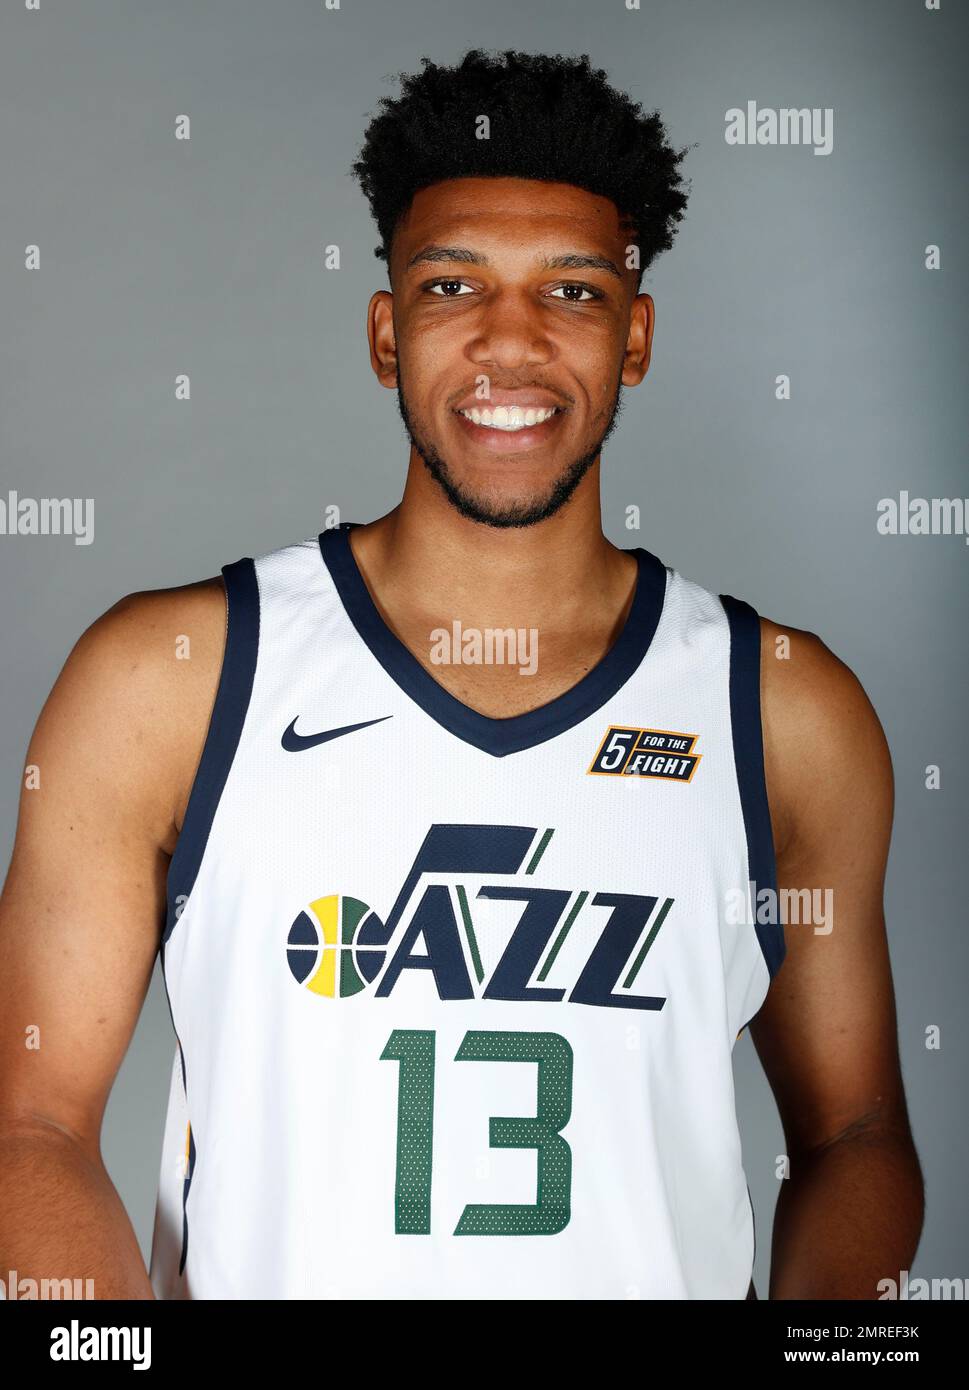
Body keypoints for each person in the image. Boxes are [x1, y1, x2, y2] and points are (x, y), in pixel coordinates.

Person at [0, 49, 922, 1299]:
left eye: (575, 293)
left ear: (636, 336)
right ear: (387, 334)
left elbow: (855, 1133)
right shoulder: (170, 679)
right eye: (452, 286)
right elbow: (32, 1123)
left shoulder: (783, 710)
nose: (510, 342)